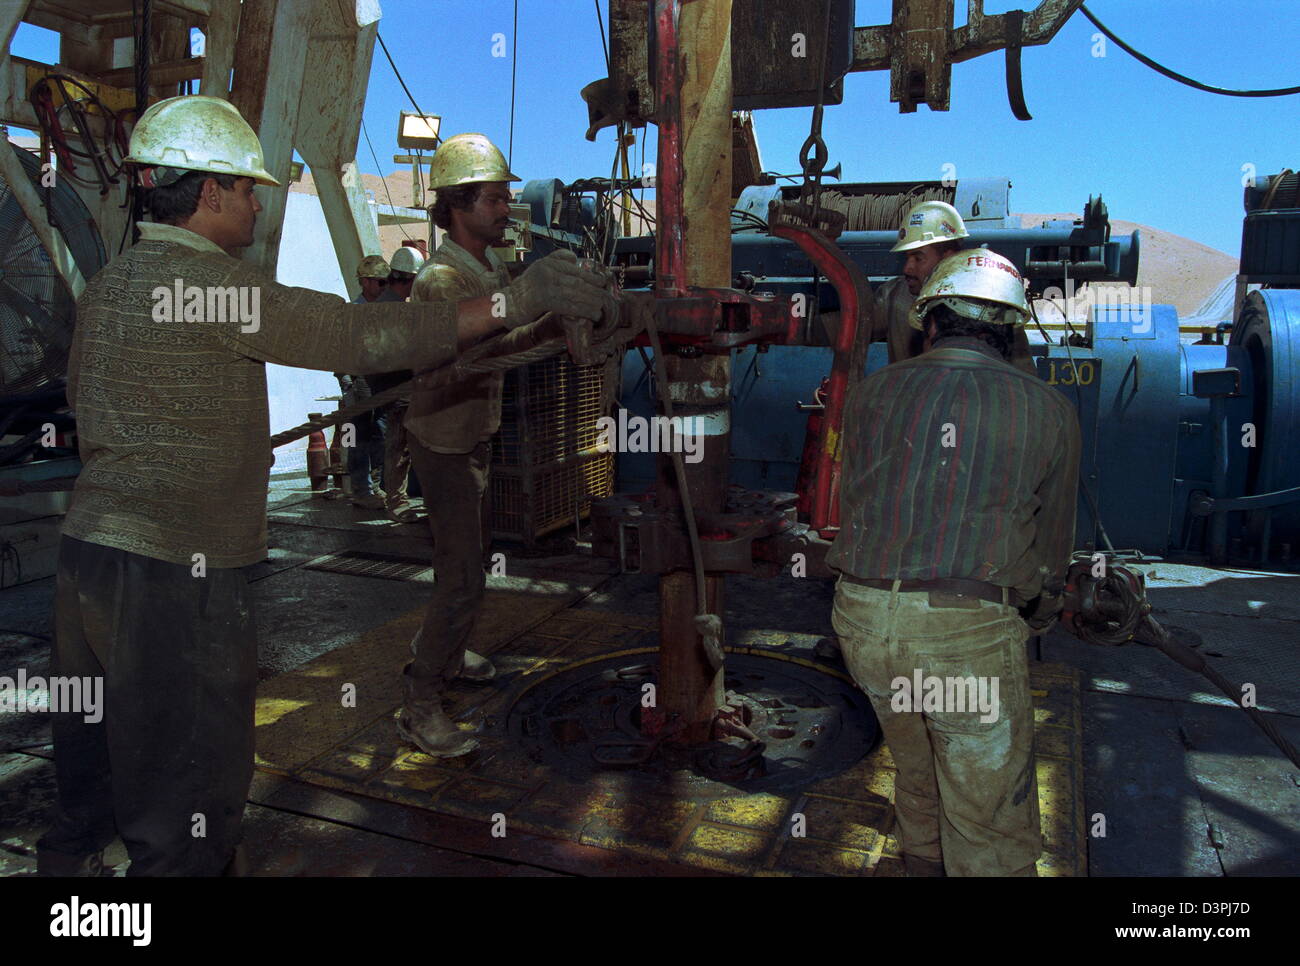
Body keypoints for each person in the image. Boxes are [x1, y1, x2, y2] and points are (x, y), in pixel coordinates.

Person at [38, 96, 608, 876]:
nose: (254, 204)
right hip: (178, 578)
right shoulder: (212, 287)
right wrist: (517, 300)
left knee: (89, 794)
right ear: (209, 192)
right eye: (247, 190)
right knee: (188, 808)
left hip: (85, 567)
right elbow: (360, 334)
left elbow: (83, 402)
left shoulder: (105, 288)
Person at [827, 249, 1081, 877]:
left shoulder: (870, 394)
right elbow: (1051, 554)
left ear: (930, 320)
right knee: (987, 812)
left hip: (862, 622)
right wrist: (1040, 612)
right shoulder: (1048, 409)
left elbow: (854, 498)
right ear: (1011, 328)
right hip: (964, 633)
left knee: (916, 773)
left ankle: (920, 864)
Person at [394, 133, 520, 758]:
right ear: (460, 206)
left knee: (472, 561)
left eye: (506, 198)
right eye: (494, 200)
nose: (505, 210)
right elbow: (468, 353)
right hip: (444, 445)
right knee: (463, 576)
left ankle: (447, 651)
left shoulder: (487, 268)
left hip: (474, 435)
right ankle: (420, 704)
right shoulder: (443, 281)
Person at [871, 200, 1036, 375]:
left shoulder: (990, 305)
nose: (907, 268)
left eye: (918, 258)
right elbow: (849, 332)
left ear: (947, 257)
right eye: (907, 258)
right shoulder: (893, 295)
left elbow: (1023, 375)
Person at [369, 245, 427, 522]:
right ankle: (397, 502)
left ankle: (399, 498)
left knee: (404, 446)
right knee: (400, 447)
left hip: (398, 386)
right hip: (399, 388)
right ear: (411, 280)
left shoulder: (384, 305)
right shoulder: (392, 310)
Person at [340, 254, 392, 509]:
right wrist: (347, 383)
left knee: (381, 434)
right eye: (380, 282)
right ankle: (361, 490)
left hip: (382, 381)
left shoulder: (386, 310)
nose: (384, 287)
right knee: (357, 437)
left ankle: (377, 487)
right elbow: (340, 350)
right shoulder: (353, 313)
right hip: (359, 382)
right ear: (366, 282)